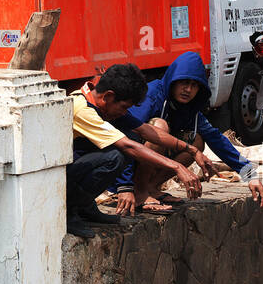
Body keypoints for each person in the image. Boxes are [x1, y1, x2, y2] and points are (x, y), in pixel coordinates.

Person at [110, 51, 263, 213]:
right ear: (172, 81)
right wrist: (124, 186)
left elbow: (217, 140)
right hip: (121, 166)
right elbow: (126, 138)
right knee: (160, 127)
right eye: (183, 83)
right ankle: (140, 191)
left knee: (196, 141)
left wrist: (250, 175)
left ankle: (151, 187)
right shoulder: (151, 95)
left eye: (194, 85)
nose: (188, 90)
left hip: (145, 163)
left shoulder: (190, 110)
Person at [66, 63, 204, 238]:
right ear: (108, 96)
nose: (124, 112)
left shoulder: (101, 103)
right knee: (116, 156)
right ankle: (70, 210)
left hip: (77, 167)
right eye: (123, 107)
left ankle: (85, 207)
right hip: (63, 176)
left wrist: (190, 149)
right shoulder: (82, 110)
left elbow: (144, 129)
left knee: (125, 143)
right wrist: (177, 167)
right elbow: (128, 146)